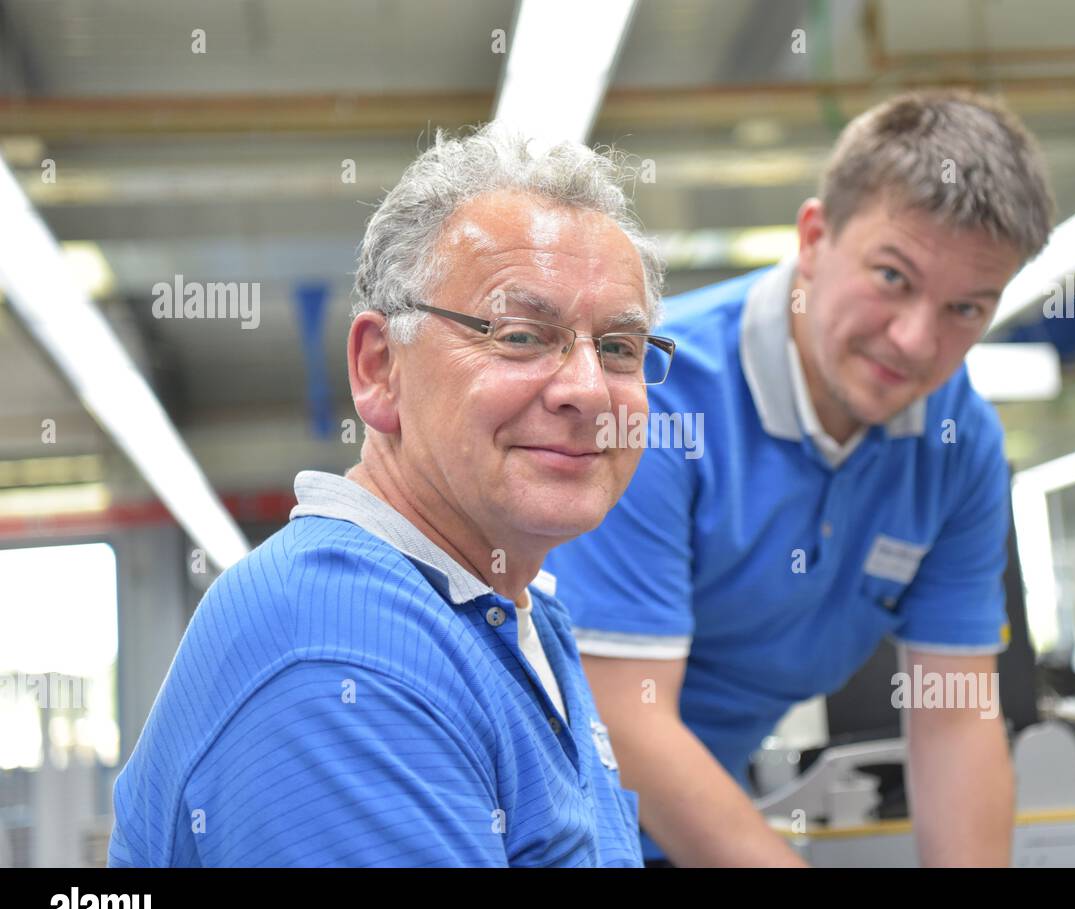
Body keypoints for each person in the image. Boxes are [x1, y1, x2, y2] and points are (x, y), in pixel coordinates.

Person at [108, 123, 674, 867]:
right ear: (379, 369)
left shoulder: (515, 615)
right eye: (520, 335)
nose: (586, 390)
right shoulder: (337, 655)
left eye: (619, 348)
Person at [545, 89, 1056, 866]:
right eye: (892, 277)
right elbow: (626, 719)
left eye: (966, 307)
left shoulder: (959, 444)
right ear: (815, 238)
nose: (918, 339)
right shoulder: (654, 393)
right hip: (543, 827)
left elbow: (954, 714)